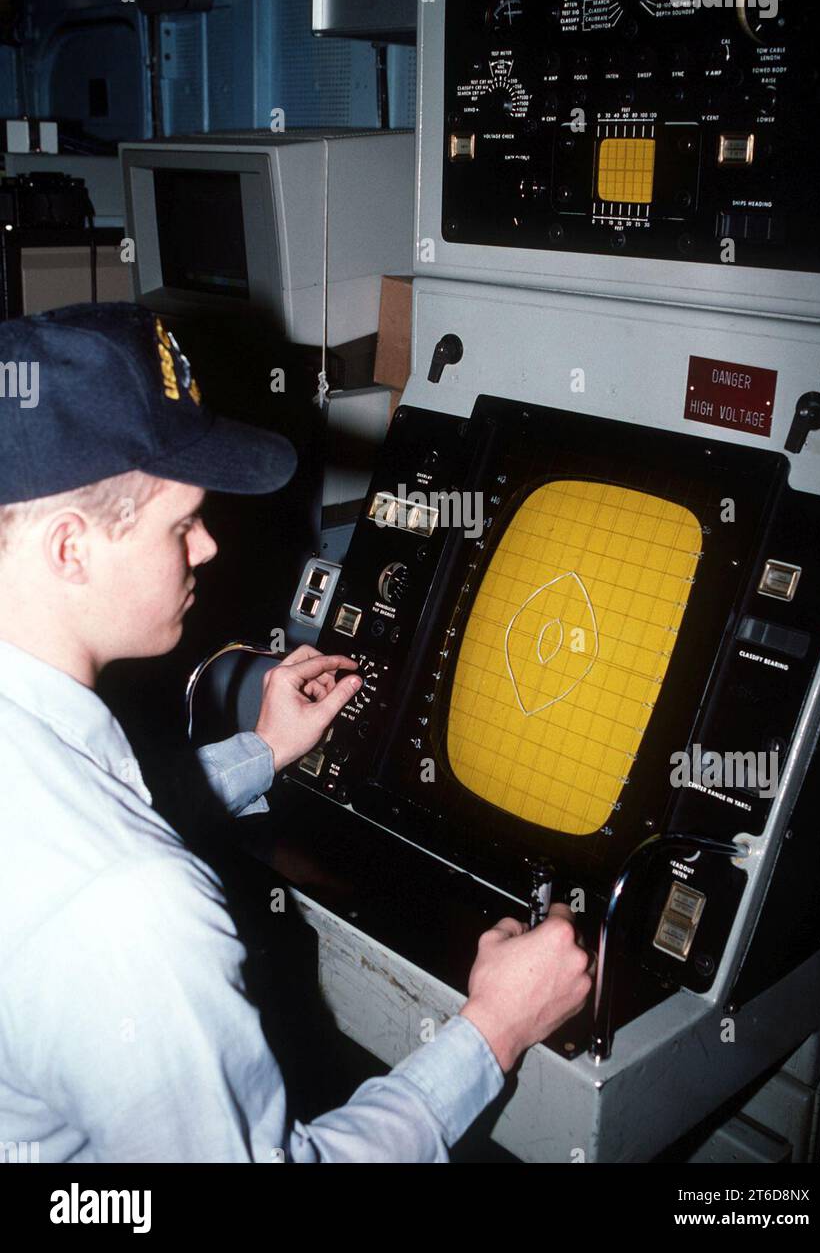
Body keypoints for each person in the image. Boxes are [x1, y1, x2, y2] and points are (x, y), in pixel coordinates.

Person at [0, 302, 592, 1163]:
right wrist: (492, 1029)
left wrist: (264, 751)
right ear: (69, 550)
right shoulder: (134, 910)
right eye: (181, 525)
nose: (205, 548)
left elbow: (85, 803)